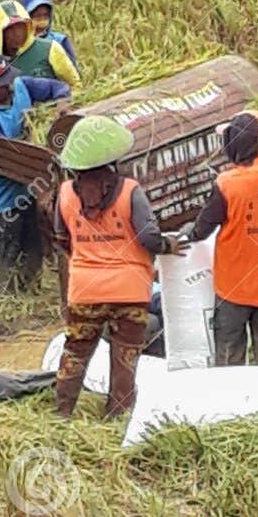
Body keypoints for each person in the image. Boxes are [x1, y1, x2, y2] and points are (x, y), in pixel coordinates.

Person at [52, 116, 185, 419]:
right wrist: (169, 246)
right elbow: (149, 237)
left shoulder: (65, 194)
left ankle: (61, 414)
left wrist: (86, 256)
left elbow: (61, 238)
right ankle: (117, 416)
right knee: (125, 358)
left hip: (84, 290)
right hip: (131, 290)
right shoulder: (129, 191)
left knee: (75, 353)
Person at [188, 109, 258, 366]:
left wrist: (185, 235)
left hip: (233, 292)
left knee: (229, 363)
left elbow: (201, 230)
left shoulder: (227, 185)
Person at [0, 51, 71, 283]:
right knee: (6, 257)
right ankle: (2, 301)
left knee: (32, 247)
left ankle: (30, 285)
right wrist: (45, 164)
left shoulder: (20, 86)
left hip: (26, 189)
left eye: (9, 81)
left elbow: (57, 88)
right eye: (2, 85)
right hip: (1, 201)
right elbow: (7, 159)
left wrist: (63, 105)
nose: (9, 89)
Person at [0, 0, 79, 87]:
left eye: (20, 27)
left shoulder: (50, 49)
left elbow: (75, 85)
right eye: (10, 29)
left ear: (28, 26)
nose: (17, 33)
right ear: (0, 33)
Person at [19, 0, 80, 74]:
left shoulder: (60, 40)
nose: (42, 20)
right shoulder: (18, 44)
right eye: (37, 16)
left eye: (45, 15)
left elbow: (74, 72)